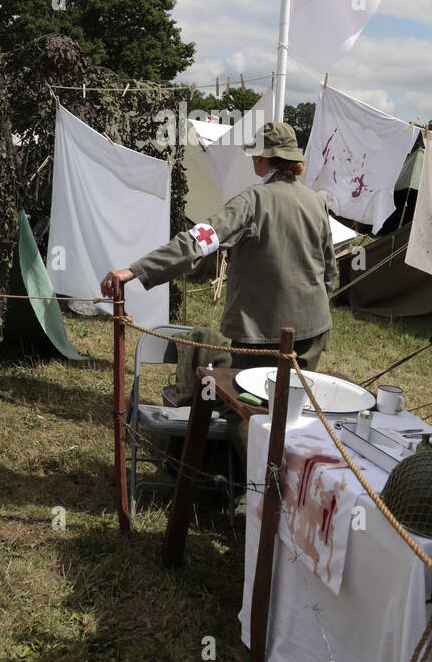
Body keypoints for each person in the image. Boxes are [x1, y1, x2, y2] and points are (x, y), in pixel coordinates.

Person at [100, 121, 336, 466]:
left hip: (261, 336)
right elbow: (330, 272)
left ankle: (255, 494)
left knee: (247, 413)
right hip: (313, 333)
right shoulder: (317, 203)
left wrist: (136, 270)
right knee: (293, 414)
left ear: (261, 159)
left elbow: (197, 242)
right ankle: (290, 490)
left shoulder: (250, 202)